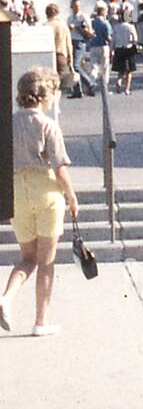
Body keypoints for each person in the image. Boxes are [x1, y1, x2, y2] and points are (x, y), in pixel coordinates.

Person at [1, 67, 79, 336]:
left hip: (16, 192)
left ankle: (6, 297)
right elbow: (59, 168)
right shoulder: (48, 126)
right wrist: (71, 196)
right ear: (46, 96)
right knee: (46, 261)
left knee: (27, 258)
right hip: (45, 190)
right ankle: (41, 321)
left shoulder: (7, 124)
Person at [45, 4, 74, 89]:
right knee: (58, 83)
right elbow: (69, 45)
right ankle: (55, 100)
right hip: (60, 55)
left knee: (48, 82)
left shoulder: (44, 26)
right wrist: (70, 60)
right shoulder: (63, 25)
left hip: (47, 55)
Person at [87, 0, 113, 87]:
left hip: (93, 45)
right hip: (103, 46)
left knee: (94, 65)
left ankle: (92, 81)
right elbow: (108, 37)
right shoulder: (105, 23)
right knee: (104, 66)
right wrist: (112, 46)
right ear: (103, 12)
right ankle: (105, 84)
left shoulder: (92, 22)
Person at [111, 12, 139, 95]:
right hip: (128, 49)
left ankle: (118, 82)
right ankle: (127, 89)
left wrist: (112, 49)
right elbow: (135, 39)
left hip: (119, 49)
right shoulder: (131, 27)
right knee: (129, 71)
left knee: (121, 70)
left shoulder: (116, 27)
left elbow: (113, 39)